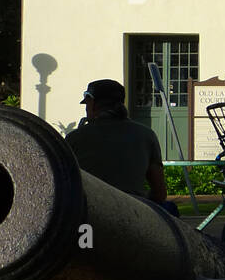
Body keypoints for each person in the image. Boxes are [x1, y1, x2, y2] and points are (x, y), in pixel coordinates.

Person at [66, 79, 172, 209]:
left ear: (92, 103)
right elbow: (159, 193)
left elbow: (64, 185)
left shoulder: (75, 138)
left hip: (89, 211)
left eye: (86, 103)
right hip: (133, 211)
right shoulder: (146, 135)